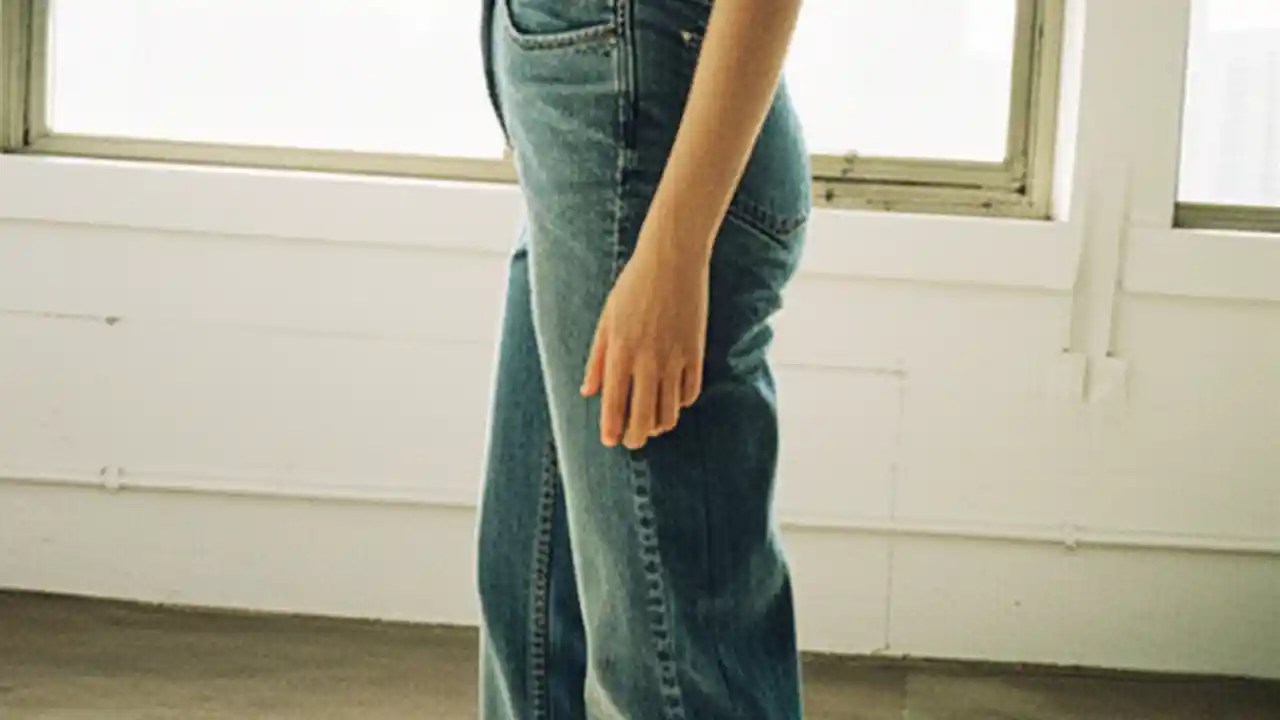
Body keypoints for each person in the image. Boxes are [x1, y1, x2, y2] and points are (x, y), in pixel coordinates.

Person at [474, 0, 810, 717]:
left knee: (670, 666)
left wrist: (675, 247)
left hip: (639, 162)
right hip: (588, 143)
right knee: (531, 619)